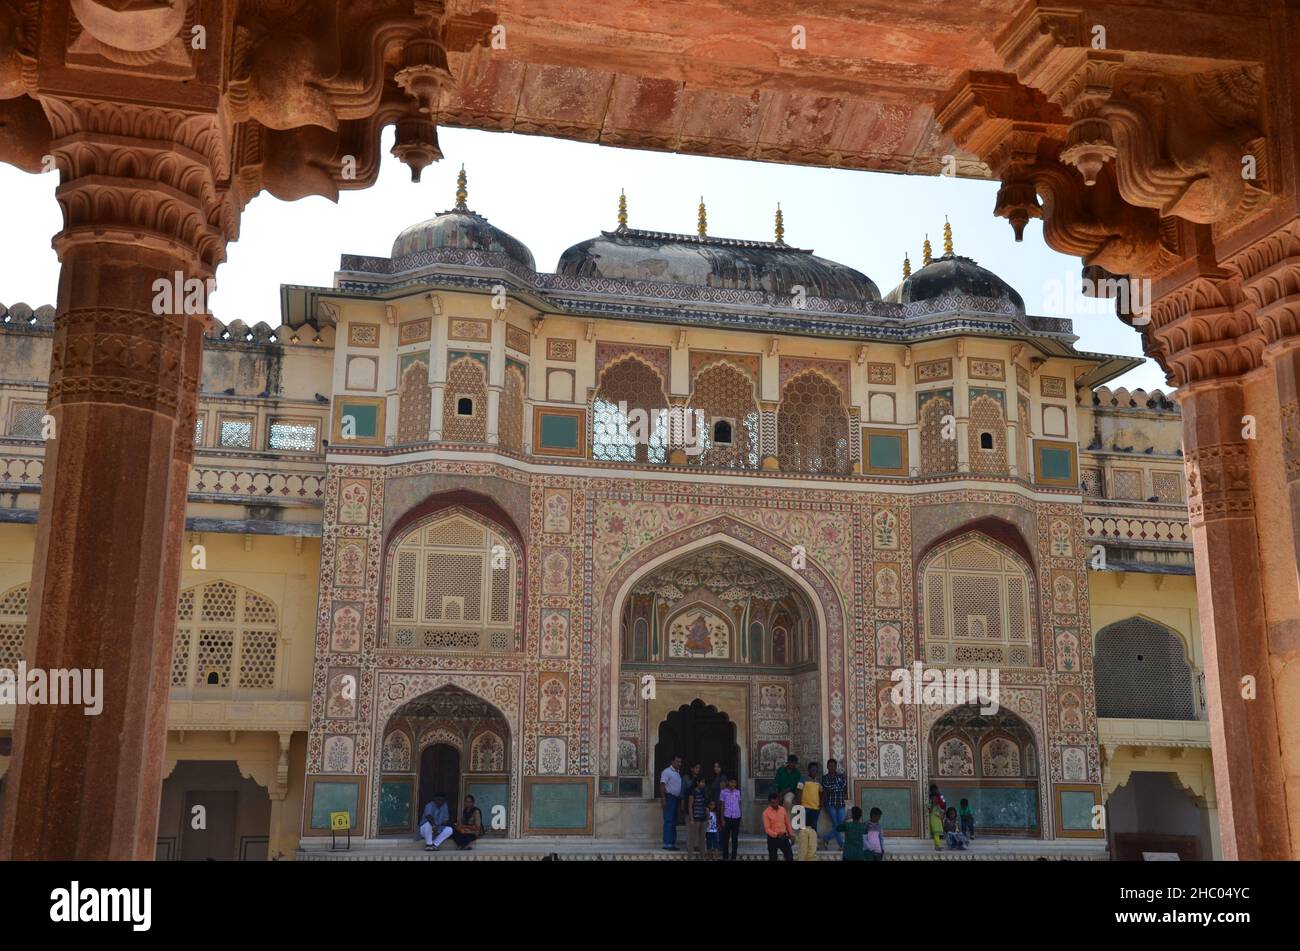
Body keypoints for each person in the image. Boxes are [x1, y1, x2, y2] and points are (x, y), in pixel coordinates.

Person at [820, 758, 847, 850]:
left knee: (840, 825)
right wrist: (837, 787)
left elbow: (843, 786)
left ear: (836, 767)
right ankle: (842, 845)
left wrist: (833, 787)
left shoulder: (841, 776)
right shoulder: (825, 778)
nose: (832, 767)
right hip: (830, 803)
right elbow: (827, 787)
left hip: (840, 803)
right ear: (827, 767)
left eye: (834, 766)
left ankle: (826, 838)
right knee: (837, 825)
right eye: (830, 766)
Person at [660, 754, 684, 851]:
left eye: (680, 762)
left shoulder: (677, 773)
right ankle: (667, 843)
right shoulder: (667, 772)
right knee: (668, 821)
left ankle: (672, 843)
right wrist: (663, 798)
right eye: (677, 761)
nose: (679, 764)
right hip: (669, 798)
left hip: (676, 799)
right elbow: (662, 785)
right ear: (672, 762)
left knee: (674, 822)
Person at [762, 791, 794, 861]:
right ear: (769, 803)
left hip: (784, 837)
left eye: (776, 802)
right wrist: (776, 835)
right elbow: (767, 829)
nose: (775, 804)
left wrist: (791, 834)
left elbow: (787, 823)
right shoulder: (766, 813)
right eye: (773, 803)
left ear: (778, 801)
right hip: (772, 839)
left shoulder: (782, 810)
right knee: (773, 858)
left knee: (790, 857)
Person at [719, 775, 743, 860]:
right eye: (732, 782)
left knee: (735, 838)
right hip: (727, 817)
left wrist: (741, 816)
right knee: (726, 838)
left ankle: (733, 856)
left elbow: (739, 804)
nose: (733, 784)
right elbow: (722, 806)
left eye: (735, 782)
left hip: (736, 817)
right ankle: (725, 856)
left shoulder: (738, 792)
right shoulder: (723, 792)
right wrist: (722, 819)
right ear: (728, 783)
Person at [797, 761, 822, 839]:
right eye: (812, 770)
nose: (814, 772)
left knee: (814, 827)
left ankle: (813, 844)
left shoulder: (818, 781)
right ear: (809, 770)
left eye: (816, 770)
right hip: (805, 807)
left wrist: (821, 803)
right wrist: (799, 805)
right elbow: (799, 791)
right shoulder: (803, 779)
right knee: (803, 827)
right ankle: (804, 843)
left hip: (815, 808)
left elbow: (821, 793)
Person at [687, 775, 708, 858]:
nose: (703, 784)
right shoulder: (693, 792)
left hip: (703, 818)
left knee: (702, 839)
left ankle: (702, 857)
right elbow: (690, 806)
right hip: (695, 818)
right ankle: (690, 857)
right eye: (702, 782)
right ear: (697, 782)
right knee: (693, 838)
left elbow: (705, 805)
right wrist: (691, 818)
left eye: (704, 782)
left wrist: (707, 818)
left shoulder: (704, 792)